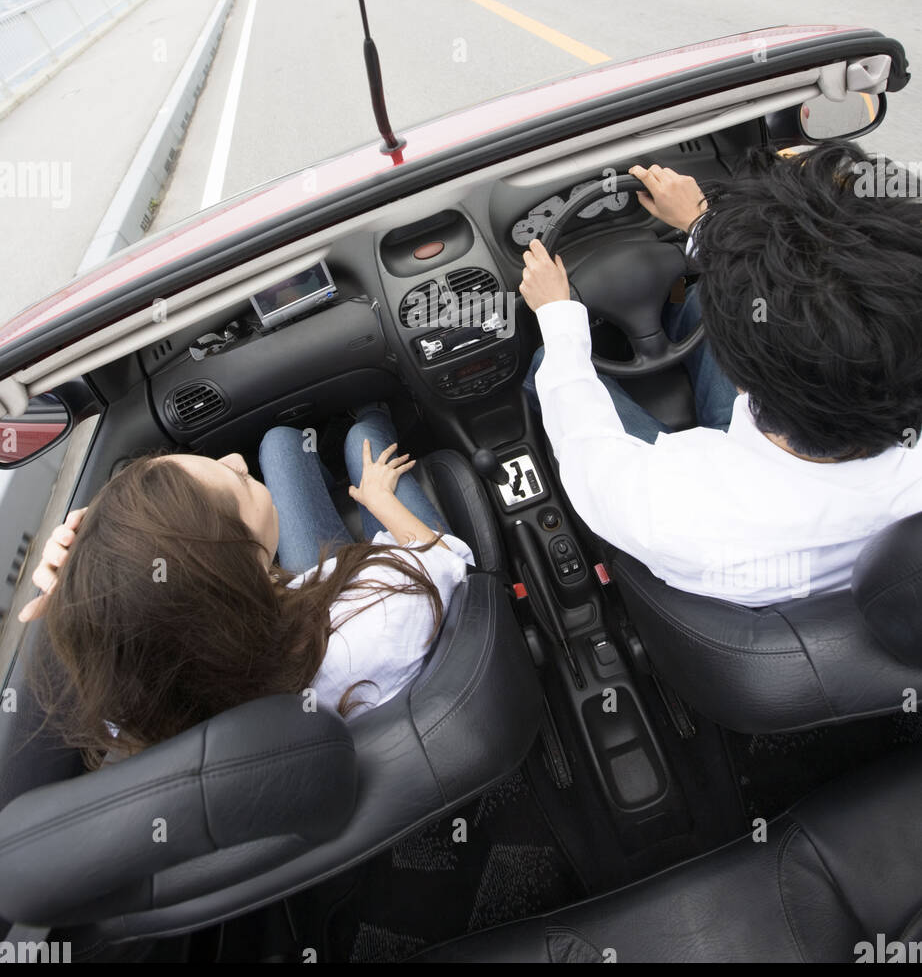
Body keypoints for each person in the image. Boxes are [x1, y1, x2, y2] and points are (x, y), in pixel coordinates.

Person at [519, 142, 922, 606]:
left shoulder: (667, 510)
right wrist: (699, 224)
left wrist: (557, 313)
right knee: (696, 303)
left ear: (738, 375)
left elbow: (583, 438)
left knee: (544, 365)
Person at [22, 405, 473, 768]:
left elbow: (117, 681)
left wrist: (90, 590)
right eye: (238, 479)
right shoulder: (381, 615)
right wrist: (379, 498)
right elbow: (449, 561)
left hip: (285, 622)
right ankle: (373, 414)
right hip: (375, 592)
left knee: (277, 444)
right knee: (362, 445)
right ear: (237, 568)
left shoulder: (153, 717)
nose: (237, 460)